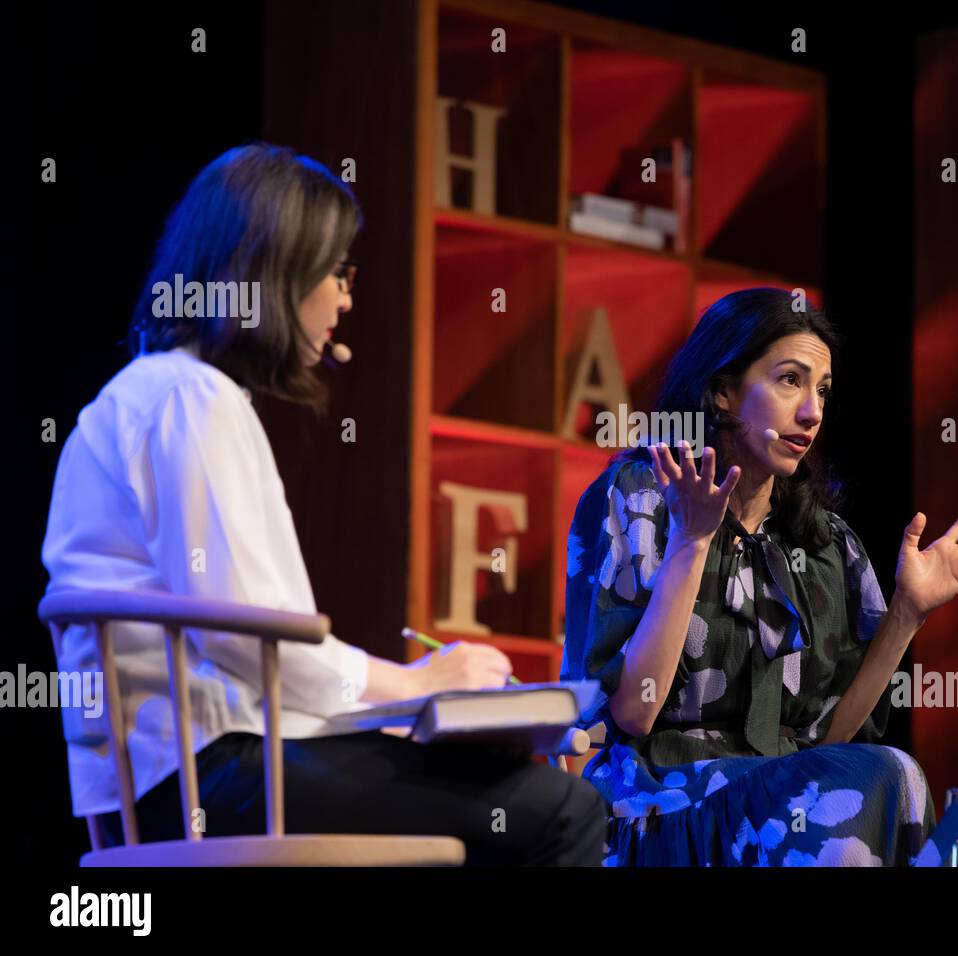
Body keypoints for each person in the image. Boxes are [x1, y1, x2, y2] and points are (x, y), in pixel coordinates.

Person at [41, 142, 606, 865]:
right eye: (336, 272)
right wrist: (417, 683)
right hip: (207, 778)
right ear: (273, 271)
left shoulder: (153, 395)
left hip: (178, 777)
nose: (345, 297)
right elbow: (250, 639)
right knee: (561, 808)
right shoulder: (191, 399)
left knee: (499, 785)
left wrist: (401, 713)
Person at [561, 287, 958, 866]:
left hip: (780, 806)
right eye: (789, 381)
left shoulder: (823, 542)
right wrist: (692, 541)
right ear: (722, 393)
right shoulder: (641, 500)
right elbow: (633, 713)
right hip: (660, 805)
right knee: (881, 780)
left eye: (822, 390)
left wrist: (905, 615)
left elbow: (827, 746)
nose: (813, 411)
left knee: (892, 773)